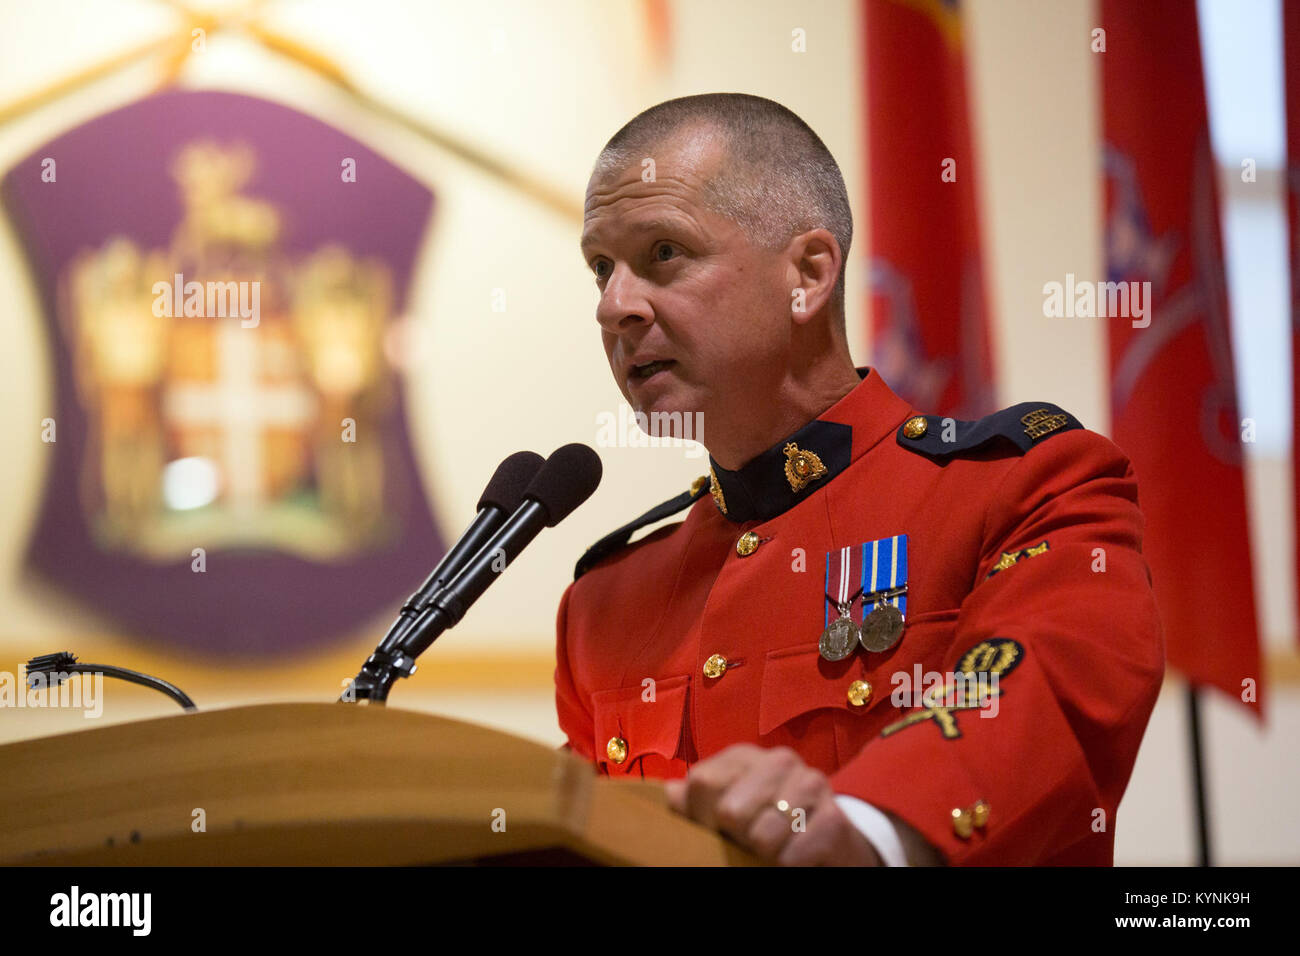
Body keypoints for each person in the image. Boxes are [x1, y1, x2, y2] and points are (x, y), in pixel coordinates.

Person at [556, 93, 1164, 865]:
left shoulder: (1025, 488)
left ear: (808, 274)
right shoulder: (606, 605)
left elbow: (1049, 694)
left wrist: (869, 832)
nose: (614, 306)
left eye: (663, 254)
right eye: (601, 269)